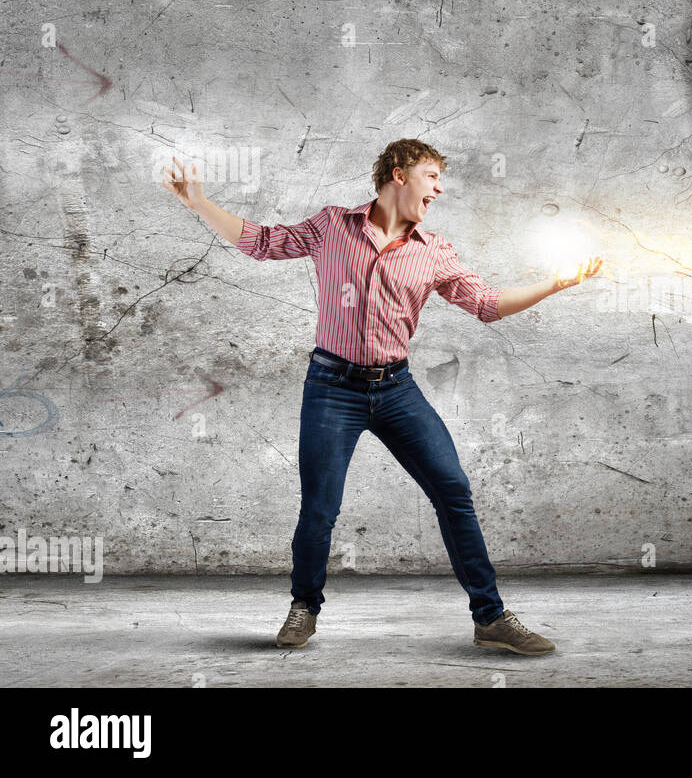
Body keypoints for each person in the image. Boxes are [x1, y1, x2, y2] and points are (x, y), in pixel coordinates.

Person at [161, 138, 601, 655]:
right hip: (332, 387)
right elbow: (262, 242)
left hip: (396, 389)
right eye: (432, 176)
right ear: (399, 174)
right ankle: (304, 606)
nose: (439, 187)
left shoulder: (434, 252)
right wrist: (198, 203)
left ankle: (491, 616)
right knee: (321, 508)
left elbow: (486, 305)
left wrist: (555, 284)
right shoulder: (332, 227)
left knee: (453, 491)